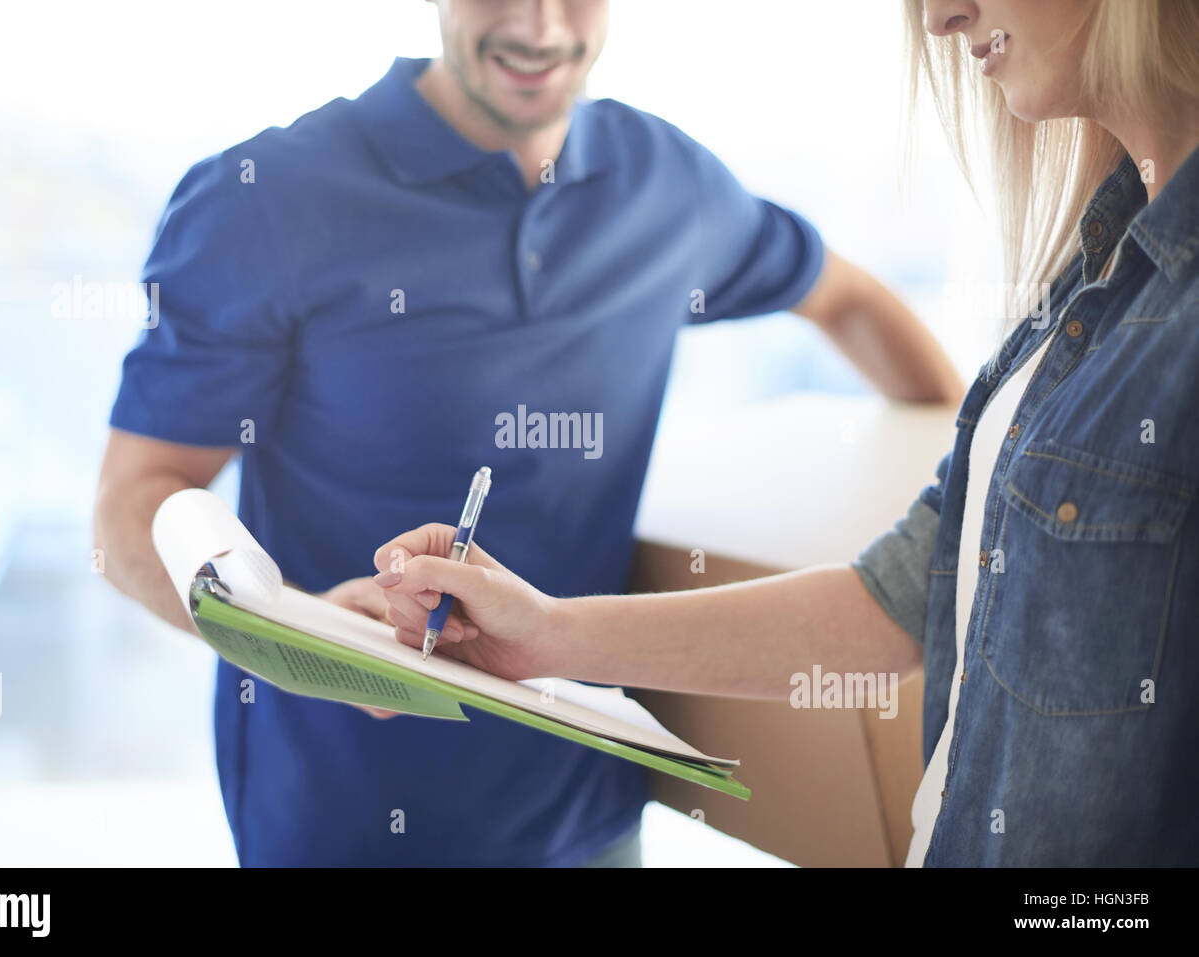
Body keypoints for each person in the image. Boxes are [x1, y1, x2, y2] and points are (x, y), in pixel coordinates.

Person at [94, 0, 962, 867]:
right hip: (339, 826)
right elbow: (133, 507)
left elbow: (846, 298)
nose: (540, 24)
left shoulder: (666, 184)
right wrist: (293, 627)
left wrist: (971, 495)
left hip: (593, 817)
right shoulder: (266, 200)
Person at [370, 0, 1199, 866]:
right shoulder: (1098, 261)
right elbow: (901, 596)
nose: (941, 20)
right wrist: (543, 634)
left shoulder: (661, 179)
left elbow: (846, 296)